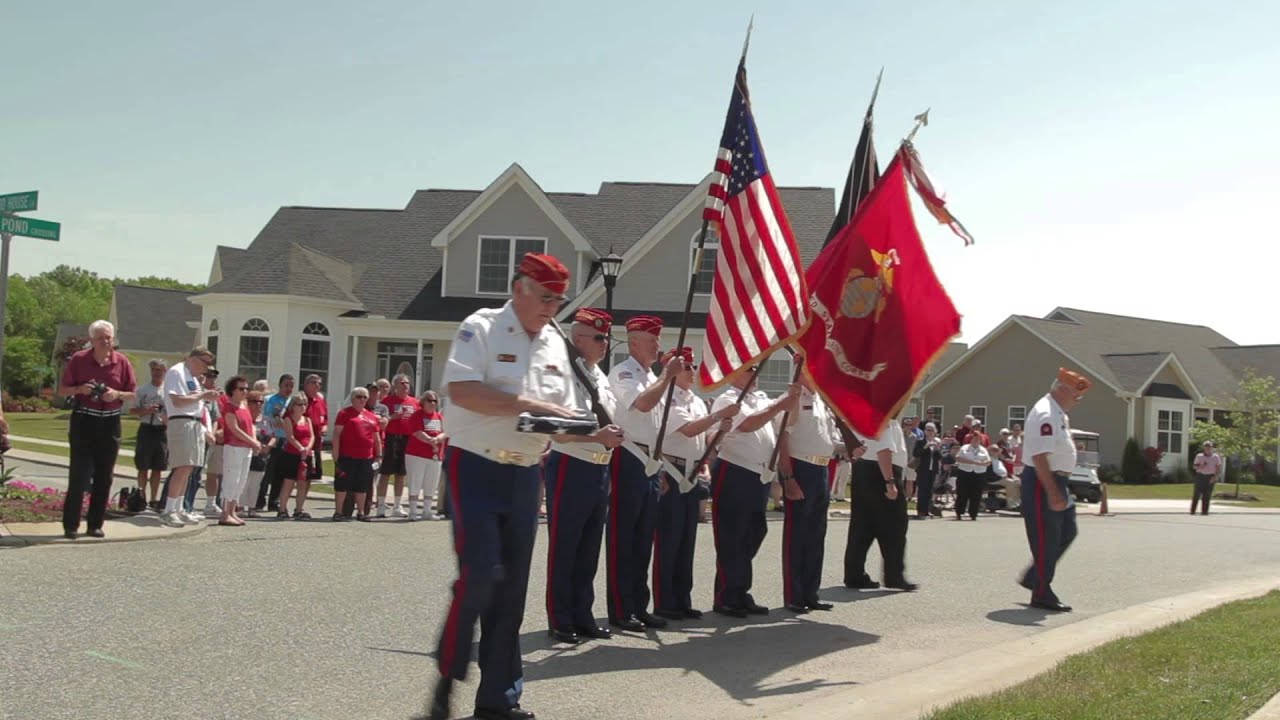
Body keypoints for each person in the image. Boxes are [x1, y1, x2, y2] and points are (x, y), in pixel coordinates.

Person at [425, 252, 578, 720]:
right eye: (546, 296)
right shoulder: (483, 327)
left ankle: (498, 700)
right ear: (520, 288)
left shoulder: (555, 342)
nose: (552, 307)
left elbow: (564, 415)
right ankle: (445, 681)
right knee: (481, 576)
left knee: (510, 591)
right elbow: (464, 391)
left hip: (526, 473)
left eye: (559, 299)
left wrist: (589, 429)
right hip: (476, 467)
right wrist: (529, 404)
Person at [543, 308, 626, 643]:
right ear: (578, 340)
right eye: (599, 337)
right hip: (571, 465)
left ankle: (583, 614)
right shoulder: (563, 376)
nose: (605, 343)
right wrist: (597, 438)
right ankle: (560, 618)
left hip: (599, 469)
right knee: (565, 547)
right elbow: (558, 433)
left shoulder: (599, 377)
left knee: (589, 549)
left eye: (606, 337)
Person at [606, 315, 679, 632]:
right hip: (628, 456)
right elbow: (644, 406)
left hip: (649, 460)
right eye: (651, 340)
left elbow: (656, 428)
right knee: (624, 537)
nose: (657, 346)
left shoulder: (651, 376)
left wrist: (659, 464)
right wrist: (667, 377)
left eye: (658, 340)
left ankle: (639, 604)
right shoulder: (624, 373)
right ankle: (621, 608)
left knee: (643, 538)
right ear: (634, 341)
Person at [651, 347, 731, 622]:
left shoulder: (696, 401)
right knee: (669, 540)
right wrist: (718, 417)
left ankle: (682, 599)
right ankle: (664, 601)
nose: (692, 372)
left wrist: (719, 434)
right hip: (672, 471)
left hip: (693, 471)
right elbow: (686, 429)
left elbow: (704, 439)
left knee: (687, 541)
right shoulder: (666, 399)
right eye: (686, 367)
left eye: (693, 366)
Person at [709, 371, 799, 617]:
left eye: (757, 367)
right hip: (735, 470)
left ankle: (739, 590)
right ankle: (727, 596)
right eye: (749, 369)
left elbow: (786, 422)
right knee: (732, 536)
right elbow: (747, 425)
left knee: (754, 532)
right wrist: (780, 404)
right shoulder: (728, 399)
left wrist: (792, 400)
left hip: (759, 474)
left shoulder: (760, 398)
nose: (755, 373)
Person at [1017, 368, 1092, 613]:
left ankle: (1035, 577)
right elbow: (1039, 457)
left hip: (1056, 481)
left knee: (1067, 531)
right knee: (1046, 539)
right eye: (1076, 396)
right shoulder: (1046, 413)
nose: (1078, 401)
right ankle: (1041, 592)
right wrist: (1053, 492)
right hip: (1043, 481)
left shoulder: (1058, 412)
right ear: (1062, 389)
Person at [56, 320, 138, 539]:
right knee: (79, 474)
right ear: (92, 340)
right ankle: (71, 525)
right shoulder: (79, 360)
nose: (106, 341)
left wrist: (116, 394)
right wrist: (80, 389)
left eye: (109, 337)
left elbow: (132, 393)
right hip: (84, 420)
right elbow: (62, 389)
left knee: (105, 476)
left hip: (110, 422)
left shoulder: (121, 362)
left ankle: (95, 524)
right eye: (101, 338)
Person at [777, 369, 839, 613]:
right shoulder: (794, 398)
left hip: (822, 469)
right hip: (800, 468)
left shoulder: (821, 401)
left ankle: (811, 593)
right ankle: (794, 595)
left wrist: (851, 448)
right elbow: (782, 438)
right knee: (797, 536)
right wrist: (788, 477)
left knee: (816, 535)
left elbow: (827, 439)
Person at [844, 415, 917, 592]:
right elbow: (884, 451)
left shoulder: (866, 420)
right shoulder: (885, 420)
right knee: (894, 528)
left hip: (863, 471)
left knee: (862, 527)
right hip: (882, 473)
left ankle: (854, 575)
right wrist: (890, 483)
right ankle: (894, 576)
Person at [157, 346, 218, 528]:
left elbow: (196, 401)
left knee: (190, 468)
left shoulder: (191, 377)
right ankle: (168, 510)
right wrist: (203, 395)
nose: (206, 368)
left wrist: (203, 396)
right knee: (182, 467)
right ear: (193, 358)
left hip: (194, 422)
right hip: (181, 421)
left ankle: (180, 508)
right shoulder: (177, 372)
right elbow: (177, 400)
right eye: (205, 363)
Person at [332, 386, 382, 522]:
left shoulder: (371, 416)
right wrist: (335, 455)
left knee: (362, 485)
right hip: (347, 456)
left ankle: (361, 512)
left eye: (365, 397)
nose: (362, 399)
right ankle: (338, 512)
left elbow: (376, 438)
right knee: (342, 485)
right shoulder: (344, 414)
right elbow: (337, 435)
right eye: (359, 396)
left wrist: (379, 455)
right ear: (353, 399)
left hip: (366, 458)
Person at [218, 376, 259, 526]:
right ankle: (225, 513)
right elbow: (233, 428)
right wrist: (252, 441)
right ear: (232, 390)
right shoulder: (229, 406)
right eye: (241, 389)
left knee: (241, 480)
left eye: (246, 388)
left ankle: (232, 511)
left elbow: (251, 425)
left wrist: (254, 442)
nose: (245, 391)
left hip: (245, 448)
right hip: (234, 447)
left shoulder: (244, 406)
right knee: (231, 479)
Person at [380, 374, 421, 518]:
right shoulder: (387, 401)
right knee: (385, 473)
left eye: (408, 383)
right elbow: (380, 421)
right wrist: (393, 417)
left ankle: (397, 505)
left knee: (401, 474)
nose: (405, 386)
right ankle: (380, 505)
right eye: (402, 383)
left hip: (407, 439)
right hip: (391, 438)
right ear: (395, 386)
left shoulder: (414, 402)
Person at [131, 359, 169, 511]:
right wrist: (147, 410)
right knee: (143, 465)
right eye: (154, 369)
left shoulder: (168, 390)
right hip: (146, 428)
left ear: (165, 372)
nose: (157, 372)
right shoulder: (142, 390)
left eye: (160, 370)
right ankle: (141, 496)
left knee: (158, 467)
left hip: (161, 430)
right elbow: (133, 410)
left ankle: (154, 498)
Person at [404, 390, 447, 520]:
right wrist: (430, 441)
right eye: (429, 400)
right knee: (415, 481)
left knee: (431, 483)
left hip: (435, 456)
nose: (432, 403)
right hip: (416, 455)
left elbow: (445, 432)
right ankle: (412, 511)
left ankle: (427, 511)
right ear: (423, 402)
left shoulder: (439, 417)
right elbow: (417, 432)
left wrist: (438, 439)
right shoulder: (417, 415)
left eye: (435, 401)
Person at [257, 374, 295, 513]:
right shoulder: (269, 400)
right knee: (267, 471)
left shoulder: (292, 402)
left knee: (280, 473)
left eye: (291, 386)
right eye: (286, 385)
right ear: (280, 385)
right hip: (270, 437)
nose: (289, 389)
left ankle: (274, 501)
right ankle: (259, 500)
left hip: (285, 440)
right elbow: (264, 418)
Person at [276, 394, 315, 520]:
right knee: (289, 482)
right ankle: (282, 509)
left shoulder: (307, 420)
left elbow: (312, 436)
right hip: (292, 454)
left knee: (303, 483)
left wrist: (308, 448)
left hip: (306, 455)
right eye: (300, 404)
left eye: (305, 404)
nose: (303, 407)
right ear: (293, 406)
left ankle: (299, 509)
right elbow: (290, 436)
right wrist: (300, 448)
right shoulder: (288, 419)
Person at [239, 390, 274, 518]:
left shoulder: (266, 420)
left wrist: (269, 446)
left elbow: (273, 435)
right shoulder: (245, 418)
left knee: (256, 484)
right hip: (247, 453)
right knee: (244, 482)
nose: (258, 405)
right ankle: (240, 507)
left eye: (261, 402)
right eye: (255, 401)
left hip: (261, 457)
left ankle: (252, 508)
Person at [202, 367, 226, 517]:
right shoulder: (199, 394)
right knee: (193, 473)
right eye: (208, 377)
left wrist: (213, 432)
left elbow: (216, 417)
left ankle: (211, 503)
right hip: (200, 436)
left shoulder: (216, 397)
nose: (211, 380)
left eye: (213, 377)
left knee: (215, 473)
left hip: (214, 438)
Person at [953, 432, 992, 520]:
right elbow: (958, 458)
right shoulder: (965, 448)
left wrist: (982, 463)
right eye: (974, 438)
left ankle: (973, 514)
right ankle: (959, 512)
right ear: (971, 439)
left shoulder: (983, 450)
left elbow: (988, 462)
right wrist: (973, 462)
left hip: (979, 474)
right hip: (965, 472)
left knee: (976, 495)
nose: (976, 440)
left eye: (978, 439)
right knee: (962, 494)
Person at [300, 374, 328, 489]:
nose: (317, 385)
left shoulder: (320, 400)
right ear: (306, 385)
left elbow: (325, 417)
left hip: (316, 443)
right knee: (300, 475)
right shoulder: (301, 399)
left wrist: (325, 427)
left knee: (311, 475)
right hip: (303, 443)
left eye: (319, 383)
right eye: (314, 383)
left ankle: (300, 504)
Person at [912, 423, 944, 519]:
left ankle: (927, 510)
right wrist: (925, 447)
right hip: (922, 469)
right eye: (927, 430)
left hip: (932, 470)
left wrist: (938, 449)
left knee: (929, 491)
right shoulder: (920, 442)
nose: (929, 432)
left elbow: (940, 457)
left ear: (935, 432)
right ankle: (921, 511)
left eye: (931, 430)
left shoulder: (936, 442)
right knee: (922, 491)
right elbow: (916, 454)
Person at [1191, 441, 1222, 516]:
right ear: (1204, 447)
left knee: (1207, 495)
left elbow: (1218, 467)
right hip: (1200, 476)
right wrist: (1200, 466)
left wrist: (1215, 477)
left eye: (1209, 446)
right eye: (1206, 446)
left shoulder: (1215, 457)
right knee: (1197, 494)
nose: (1208, 448)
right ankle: (1193, 511)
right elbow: (1194, 466)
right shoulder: (1199, 456)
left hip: (1210, 476)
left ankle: (1204, 512)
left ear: (1211, 448)